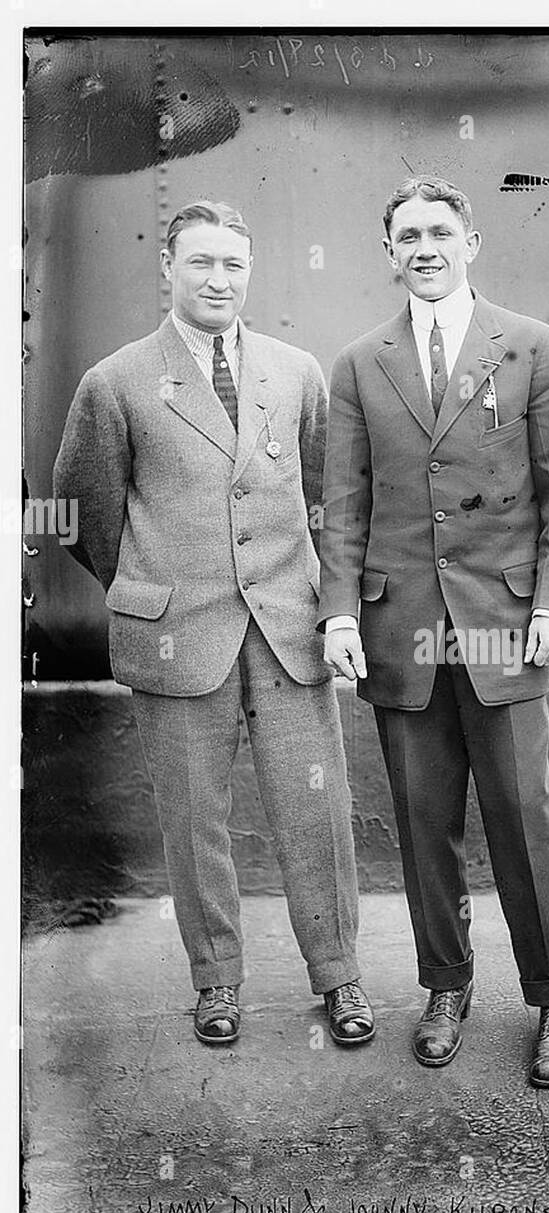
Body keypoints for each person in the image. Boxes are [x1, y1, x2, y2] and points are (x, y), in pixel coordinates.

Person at [53, 200, 374, 1049]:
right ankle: (216, 984)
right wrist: (153, 583)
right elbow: (83, 514)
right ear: (167, 267)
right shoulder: (116, 380)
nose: (218, 280)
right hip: (176, 637)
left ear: (251, 269)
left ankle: (339, 978)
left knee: (317, 812)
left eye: (233, 264)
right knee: (194, 820)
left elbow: (329, 496)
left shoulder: (295, 371)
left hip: (287, 628)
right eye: (200, 263)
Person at [319, 177, 549, 1088]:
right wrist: (338, 613)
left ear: (471, 240)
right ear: (389, 252)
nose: (426, 247)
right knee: (421, 821)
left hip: (503, 630)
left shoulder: (536, 349)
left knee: (524, 817)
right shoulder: (360, 363)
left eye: (442, 231)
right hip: (402, 631)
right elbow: (346, 505)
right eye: (408, 236)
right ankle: (446, 986)